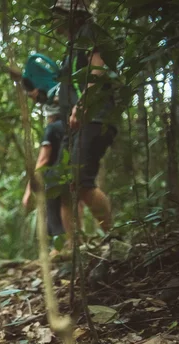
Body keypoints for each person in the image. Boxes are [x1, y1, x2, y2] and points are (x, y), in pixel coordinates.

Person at [52, 0, 118, 232]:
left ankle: (112, 237)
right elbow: (67, 90)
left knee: (82, 182)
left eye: (59, 13)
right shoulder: (71, 48)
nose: (55, 19)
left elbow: (97, 71)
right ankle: (73, 246)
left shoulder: (90, 33)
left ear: (73, 15)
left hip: (93, 118)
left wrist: (83, 105)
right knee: (63, 185)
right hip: (73, 124)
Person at [22, 105, 72, 238]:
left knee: (55, 215)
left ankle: (63, 243)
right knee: (72, 206)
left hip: (57, 177)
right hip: (73, 173)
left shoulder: (52, 128)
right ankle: (75, 241)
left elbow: (43, 160)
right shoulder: (71, 125)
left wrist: (28, 190)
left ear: (50, 115)